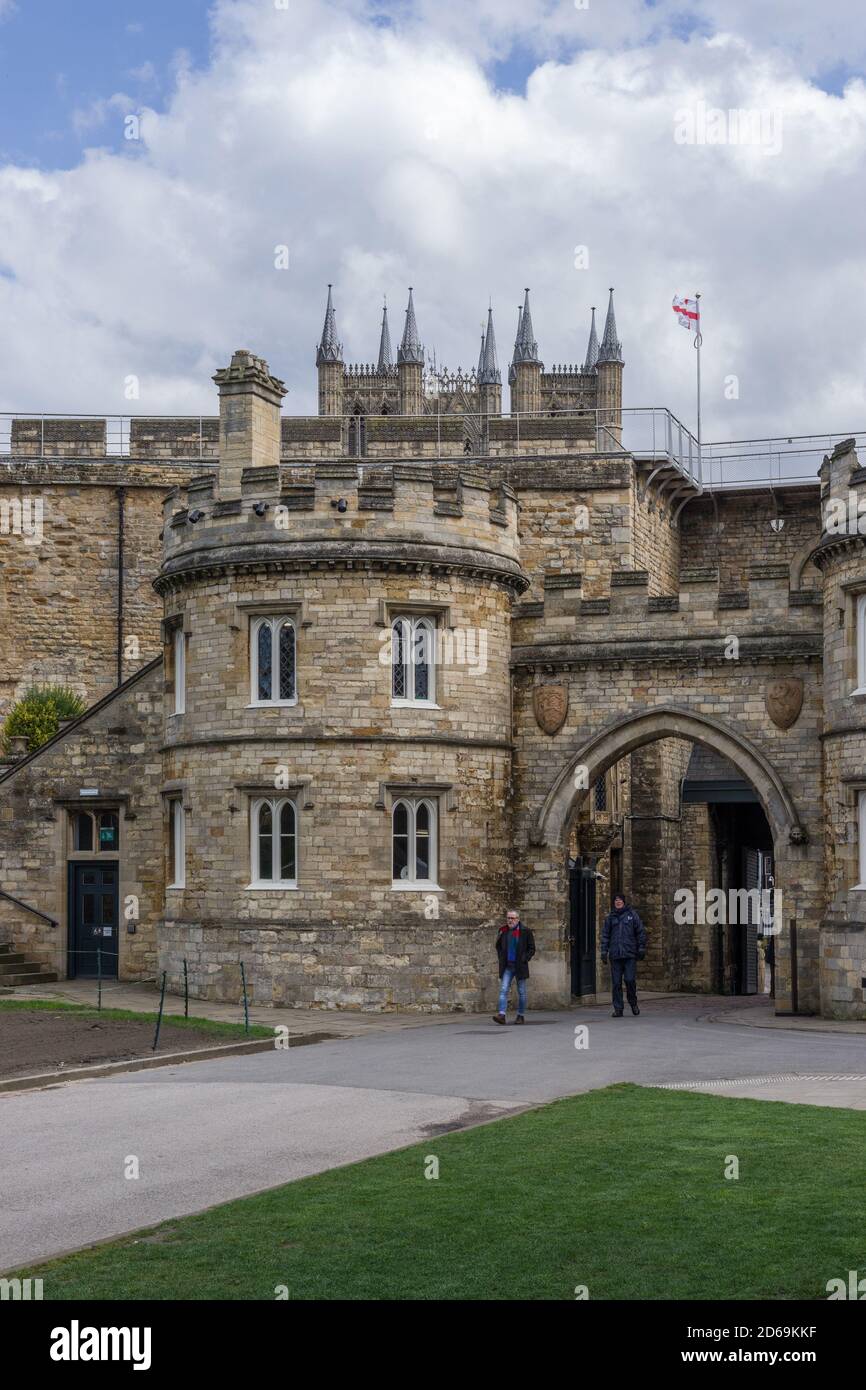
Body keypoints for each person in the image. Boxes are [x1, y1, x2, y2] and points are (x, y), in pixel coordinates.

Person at [601, 894, 646, 1017]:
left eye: (620, 900)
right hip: (615, 955)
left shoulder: (632, 915)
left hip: (629, 954)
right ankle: (618, 1008)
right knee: (616, 984)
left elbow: (640, 932)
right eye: (616, 900)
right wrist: (604, 951)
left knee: (629, 980)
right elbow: (605, 935)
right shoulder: (610, 917)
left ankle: (633, 1003)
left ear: (624, 902)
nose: (618, 902)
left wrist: (641, 947)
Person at [493, 909, 535, 1025]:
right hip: (508, 966)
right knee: (503, 990)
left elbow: (532, 949)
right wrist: (501, 957)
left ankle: (520, 1016)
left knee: (521, 991)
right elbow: (498, 946)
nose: (510, 920)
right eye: (508, 918)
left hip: (520, 966)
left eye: (512, 918)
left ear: (518, 919)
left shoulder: (525, 931)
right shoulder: (503, 930)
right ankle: (501, 1015)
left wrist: (524, 958)